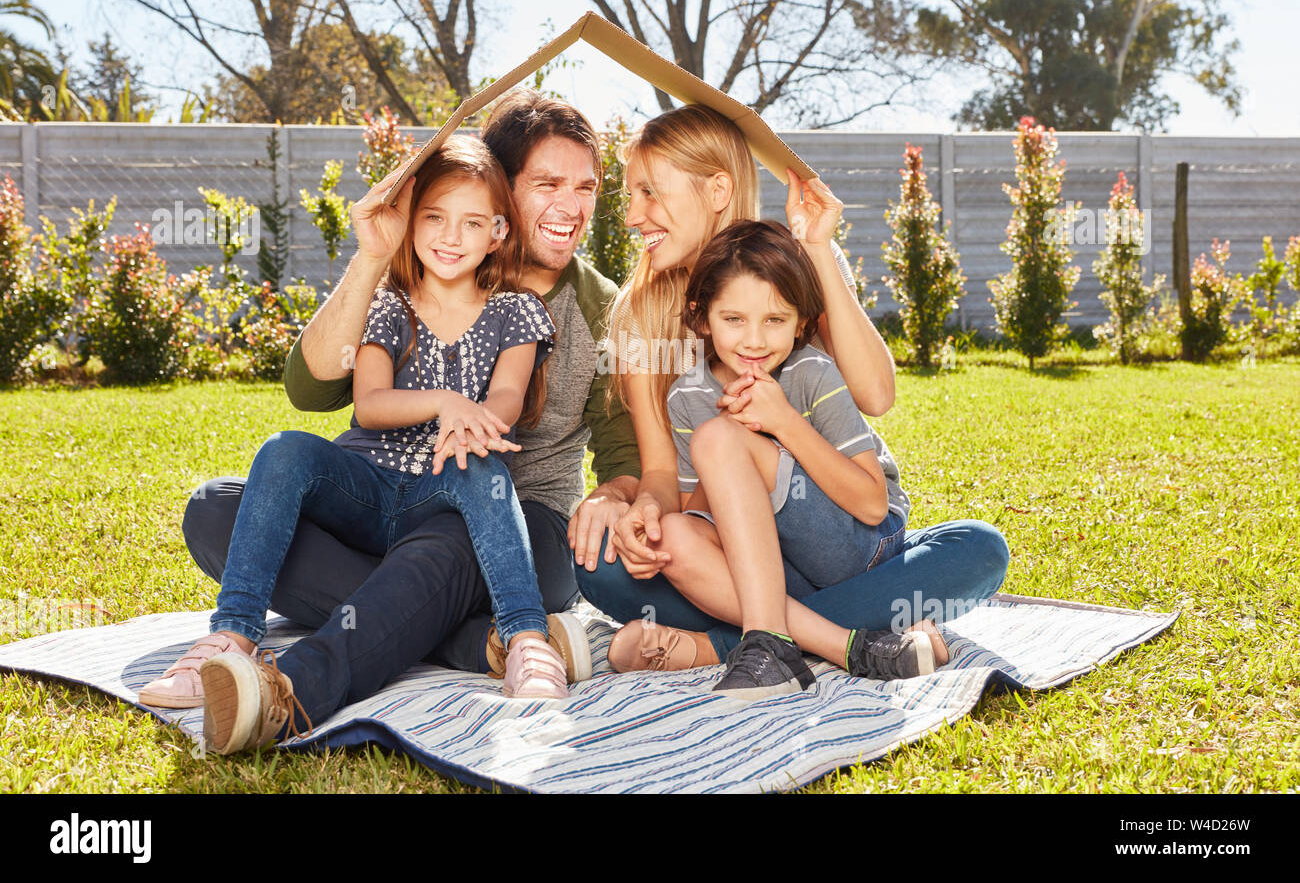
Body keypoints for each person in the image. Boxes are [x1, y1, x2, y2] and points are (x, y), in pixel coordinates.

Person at [177, 89, 642, 754]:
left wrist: (611, 497)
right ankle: (471, 640)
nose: (571, 205)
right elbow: (311, 390)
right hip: (392, 501)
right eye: (547, 183)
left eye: (586, 187)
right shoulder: (418, 279)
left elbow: (624, 456)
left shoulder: (601, 308)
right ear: (500, 192)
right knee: (216, 510)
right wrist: (370, 259)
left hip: (519, 528)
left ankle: (291, 693)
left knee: (449, 538)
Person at [574, 103, 1009, 696]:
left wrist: (820, 251)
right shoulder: (640, 318)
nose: (632, 215)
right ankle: (841, 637)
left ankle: (722, 643)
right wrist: (643, 515)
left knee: (975, 551)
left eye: (649, 192)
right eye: (631, 195)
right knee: (599, 564)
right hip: (731, 547)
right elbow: (661, 474)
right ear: (705, 322)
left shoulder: (792, 271)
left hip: (830, 532)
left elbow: (878, 395)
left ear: (718, 188)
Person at [645, 219, 948, 700]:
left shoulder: (812, 372)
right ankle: (849, 645)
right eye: (734, 320)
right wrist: (731, 452)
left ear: (802, 323)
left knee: (975, 545)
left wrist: (782, 423)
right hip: (775, 565)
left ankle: (760, 639)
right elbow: (697, 516)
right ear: (702, 317)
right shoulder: (687, 396)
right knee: (675, 536)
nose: (754, 341)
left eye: (775, 320)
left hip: (859, 544)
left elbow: (872, 506)